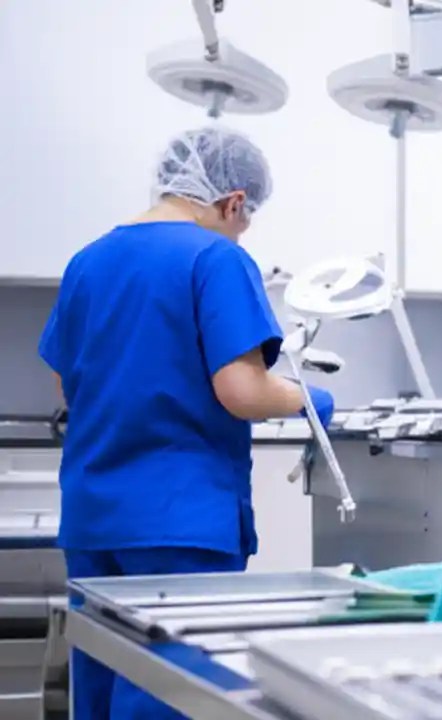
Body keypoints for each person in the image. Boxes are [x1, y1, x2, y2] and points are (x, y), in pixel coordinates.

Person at [38, 127, 335, 720]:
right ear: (233, 202)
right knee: (167, 696)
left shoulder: (89, 260)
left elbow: (65, 383)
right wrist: (312, 399)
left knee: (99, 690)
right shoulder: (215, 258)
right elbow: (242, 390)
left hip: (94, 520)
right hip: (179, 524)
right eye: (246, 217)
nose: (242, 230)